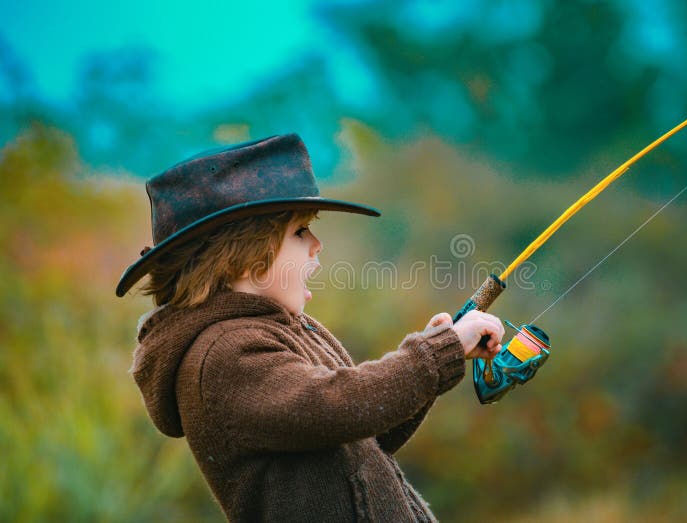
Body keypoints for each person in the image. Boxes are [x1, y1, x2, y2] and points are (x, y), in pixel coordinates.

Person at [116, 134, 505, 522]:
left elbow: (363, 436)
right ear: (242, 256)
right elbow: (338, 406)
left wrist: (439, 351)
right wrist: (431, 357)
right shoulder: (224, 355)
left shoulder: (289, 330)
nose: (317, 244)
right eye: (300, 231)